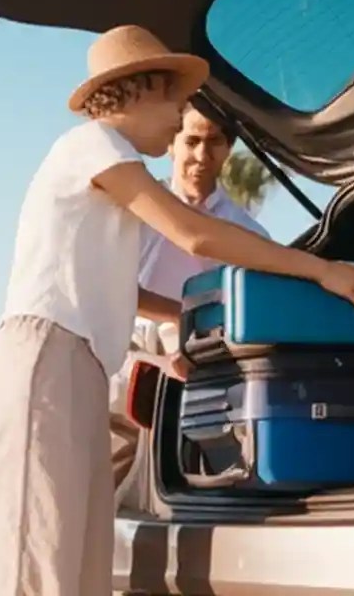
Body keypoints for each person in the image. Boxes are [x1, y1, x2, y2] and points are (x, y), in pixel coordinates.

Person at [0, 24, 354, 596]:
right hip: (46, 362)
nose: (179, 118)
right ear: (138, 90)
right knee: (38, 568)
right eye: (174, 101)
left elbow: (122, 289)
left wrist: (189, 326)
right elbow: (193, 235)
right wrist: (322, 270)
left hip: (81, 368)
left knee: (81, 569)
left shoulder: (110, 171)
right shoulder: (93, 146)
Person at [108, 104, 269, 511]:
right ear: (171, 144)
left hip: (216, 384)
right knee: (106, 510)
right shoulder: (136, 218)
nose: (201, 154)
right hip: (130, 378)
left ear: (228, 149)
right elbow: (110, 294)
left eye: (214, 141)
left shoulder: (248, 233)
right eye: (192, 140)